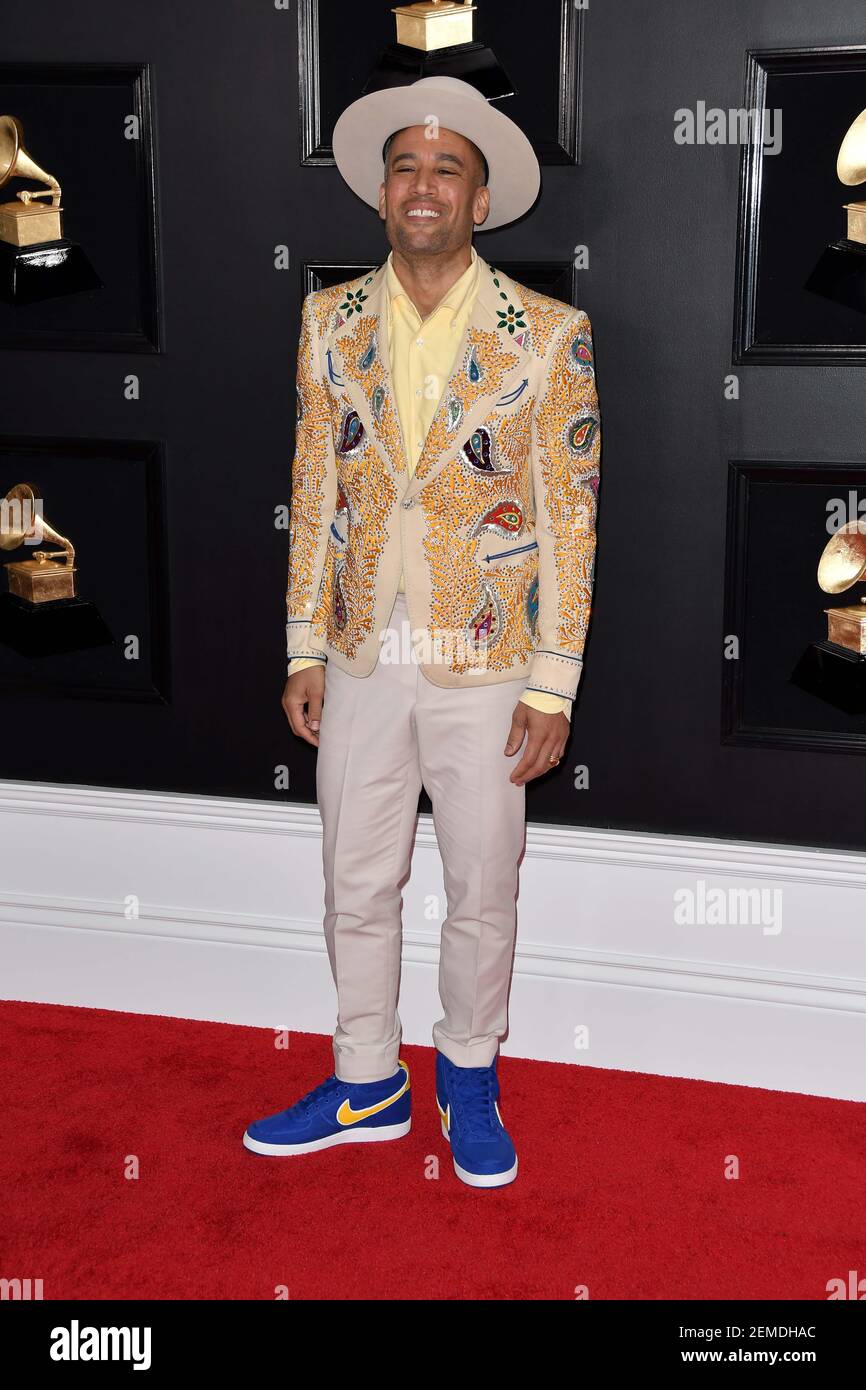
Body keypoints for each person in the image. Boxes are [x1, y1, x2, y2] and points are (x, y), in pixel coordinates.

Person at [243, 76, 601, 1188]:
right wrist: (303, 645)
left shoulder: (547, 336)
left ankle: (467, 1071)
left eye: (448, 169)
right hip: (361, 651)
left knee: (481, 878)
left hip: (489, 656)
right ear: (380, 191)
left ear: (479, 200)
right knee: (354, 871)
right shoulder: (326, 319)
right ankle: (365, 1078)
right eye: (406, 166)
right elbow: (315, 488)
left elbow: (570, 514)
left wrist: (554, 682)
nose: (424, 185)